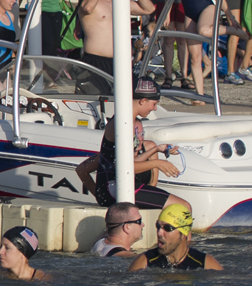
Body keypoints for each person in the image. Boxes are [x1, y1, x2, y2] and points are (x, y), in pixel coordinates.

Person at [74, 75, 185, 209]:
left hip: (115, 188)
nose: (155, 108)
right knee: (182, 206)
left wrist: (156, 150)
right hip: (116, 189)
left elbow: (128, 162)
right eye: (154, 104)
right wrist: (158, 163)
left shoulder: (123, 120)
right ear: (142, 101)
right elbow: (124, 167)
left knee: (178, 206)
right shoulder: (124, 124)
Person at [76, 0, 157, 86]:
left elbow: (149, 9)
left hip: (121, 61)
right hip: (96, 60)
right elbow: (87, 8)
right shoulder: (89, 1)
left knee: (124, 95)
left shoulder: (120, 2)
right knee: (93, 95)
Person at [129, 202, 223, 269]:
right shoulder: (144, 262)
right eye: (158, 226)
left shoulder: (205, 264)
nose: (159, 233)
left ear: (183, 234)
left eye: (167, 228)